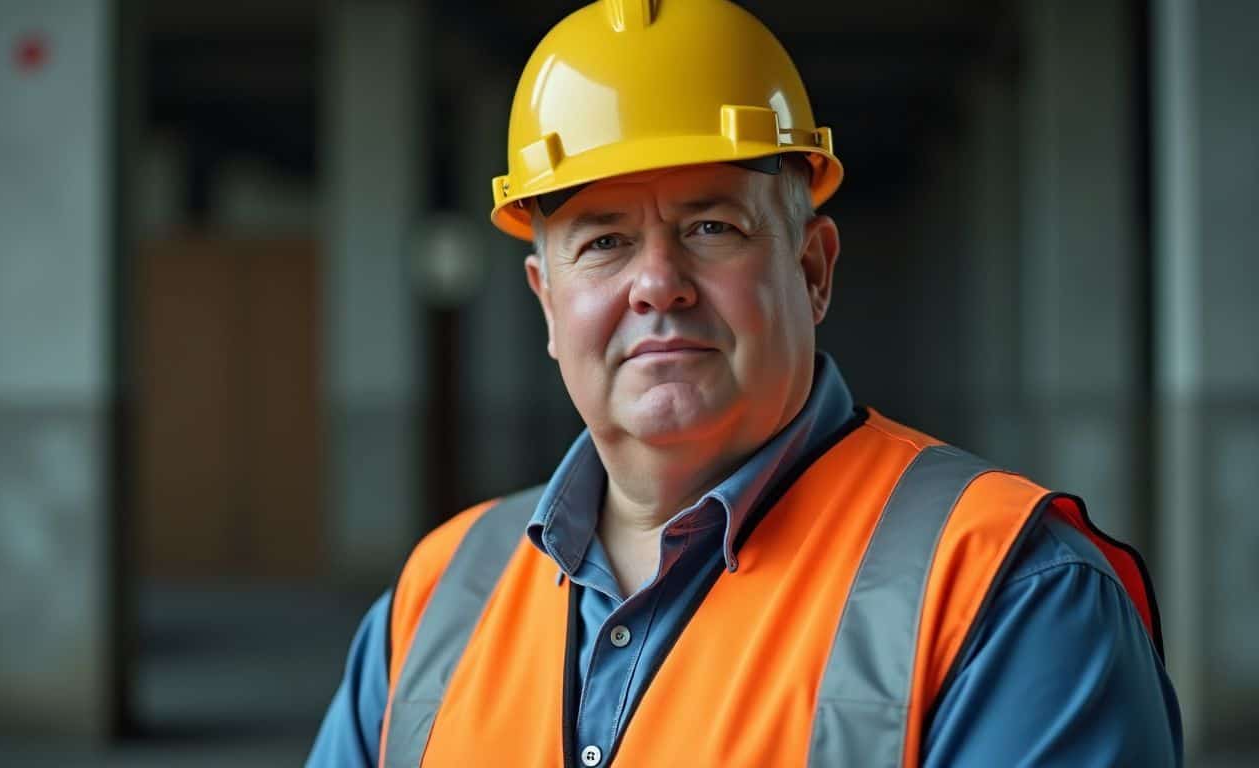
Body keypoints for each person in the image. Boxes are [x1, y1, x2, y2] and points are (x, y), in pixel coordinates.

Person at [308, 0, 1182, 765]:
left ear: (813, 269)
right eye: (604, 241)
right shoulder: (436, 599)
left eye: (712, 227)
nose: (658, 283)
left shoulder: (1006, 591)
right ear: (547, 301)